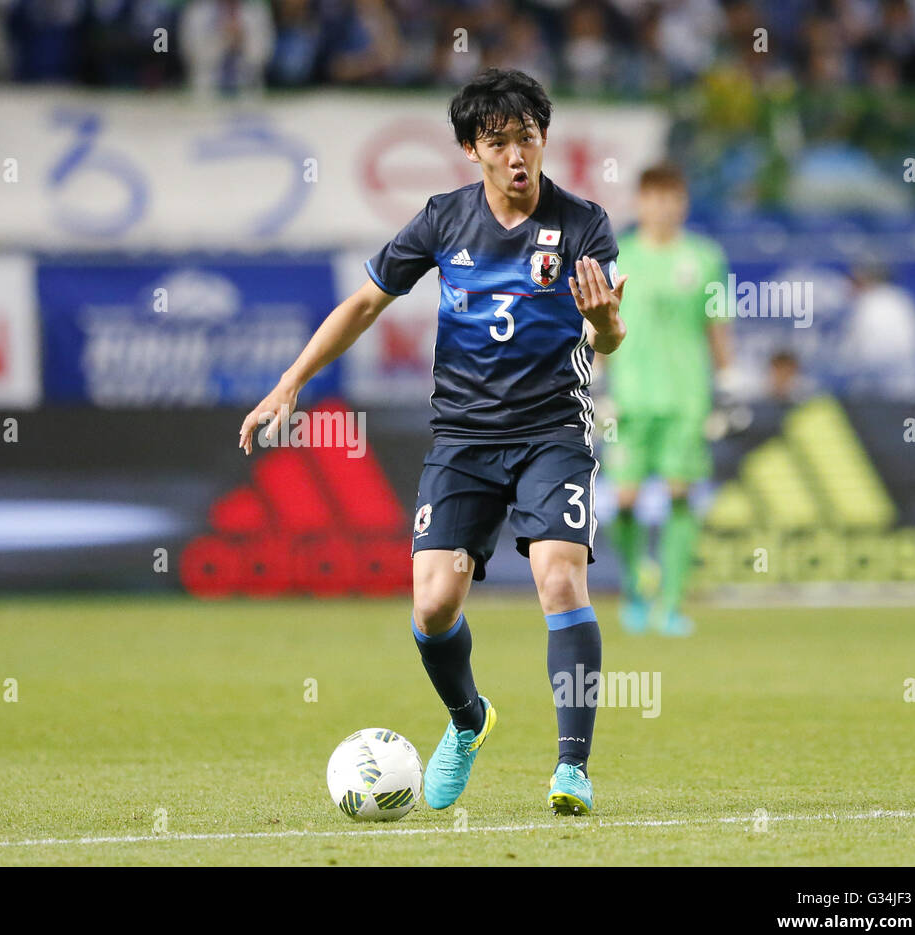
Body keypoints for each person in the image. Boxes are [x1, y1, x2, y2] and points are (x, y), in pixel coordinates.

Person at [239, 69, 627, 815]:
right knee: (434, 605)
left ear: (545, 140)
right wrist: (291, 382)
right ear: (470, 150)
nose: (517, 154)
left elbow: (607, 335)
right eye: (498, 141)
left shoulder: (583, 223)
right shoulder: (444, 220)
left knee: (558, 577)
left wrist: (607, 320)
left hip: (552, 429)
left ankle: (572, 767)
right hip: (464, 437)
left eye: (528, 138)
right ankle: (469, 720)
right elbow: (363, 304)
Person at [603, 163, 730, 637]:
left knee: (680, 493)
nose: (663, 207)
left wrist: (728, 381)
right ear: (639, 202)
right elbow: (600, 322)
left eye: (672, 198)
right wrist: (597, 384)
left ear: (684, 203)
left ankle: (672, 603)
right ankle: (637, 587)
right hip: (631, 398)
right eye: (654, 197)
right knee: (626, 499)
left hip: (686, 397)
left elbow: (716, 323)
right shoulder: (618, 255)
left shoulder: (705, 256)